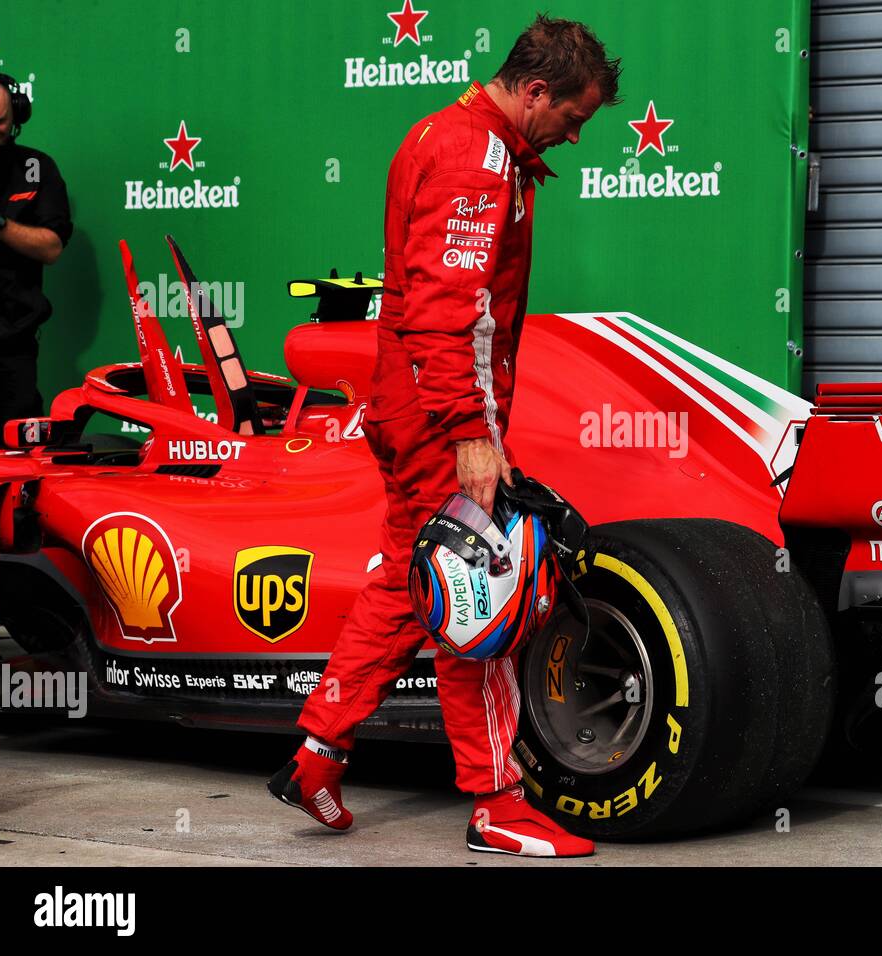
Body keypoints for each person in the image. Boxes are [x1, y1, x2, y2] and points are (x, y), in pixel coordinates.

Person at [269, 15, 620, 857]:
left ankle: (317, 754)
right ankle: (497, 802)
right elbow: (441, 309)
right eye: (573, 116)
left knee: (408, 583)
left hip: (407, 406)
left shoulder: (447, 134)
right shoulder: (476, 156)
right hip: (440, 414)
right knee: (485, 601)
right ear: (533, 90)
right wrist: (470, 428)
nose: (576, 134)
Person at [0, 72, 71, 449]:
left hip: (12, 341)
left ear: (17, 116)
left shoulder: (36, 168)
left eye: (0, 121)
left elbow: (52, 247)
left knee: (17, 454)